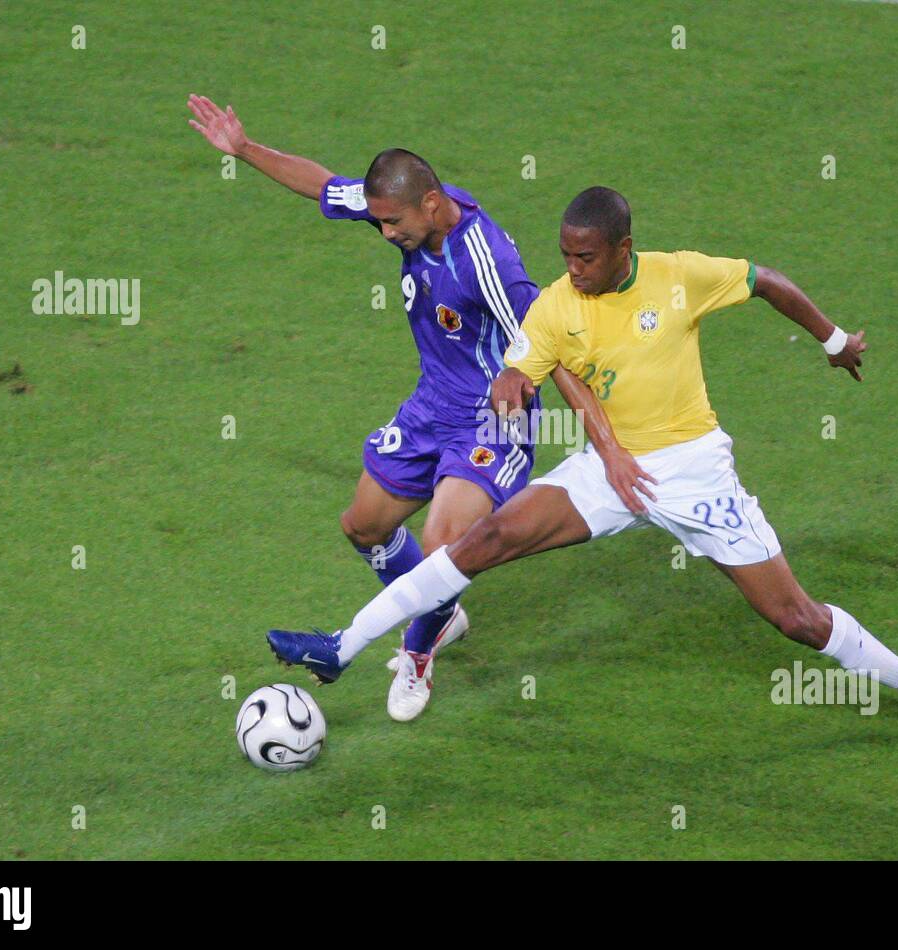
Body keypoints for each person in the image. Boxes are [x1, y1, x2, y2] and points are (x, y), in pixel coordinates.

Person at [268, 186, 898, 736]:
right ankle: (342, 644)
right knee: (479, 542)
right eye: (564, 255)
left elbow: (767, 280)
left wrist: (835, 342)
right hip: (606, 477)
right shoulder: (556, 303)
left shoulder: (679, 277)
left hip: (693, 472)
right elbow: (531, 364)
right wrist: (514, 385)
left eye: (585, 256)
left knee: (797, 620)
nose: (572, 269)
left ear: (623, 248)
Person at [188, 94, 604, 722]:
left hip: (491, 418)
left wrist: (601, 432)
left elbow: (551, 340)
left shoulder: (486, 262)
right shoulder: (407, 207)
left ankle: (416, 656)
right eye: (378, 222)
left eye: (392, 224)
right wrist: (244, 149)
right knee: (363, 525)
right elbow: (326, 186)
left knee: (442, 545)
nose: (385, 235)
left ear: (431, 206)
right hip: (431, 405)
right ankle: (444, 614)